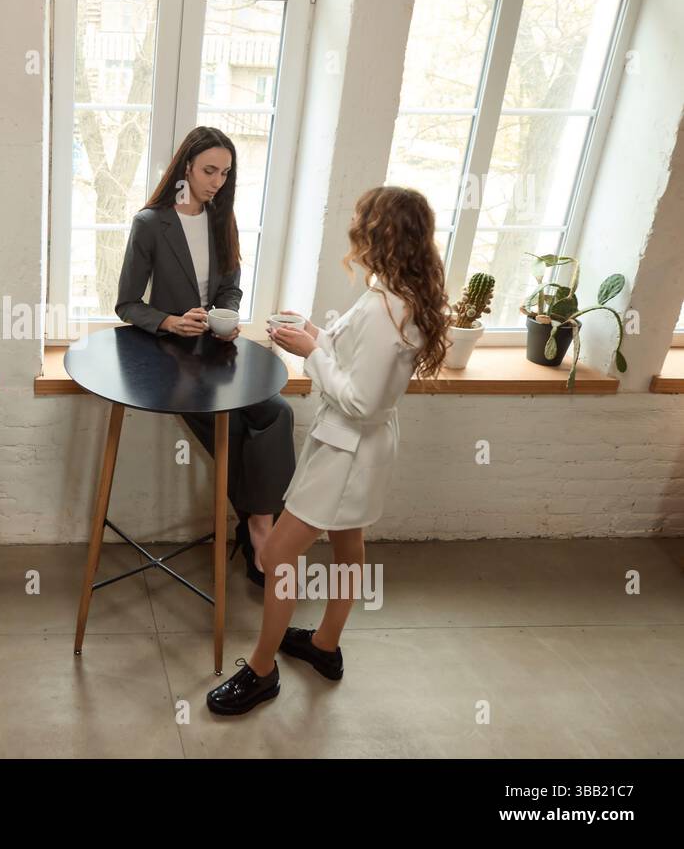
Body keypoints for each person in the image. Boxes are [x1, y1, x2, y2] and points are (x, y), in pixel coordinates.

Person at [206, 185, 450, 716]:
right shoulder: (397, 295)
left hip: (345, 451)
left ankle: (262, 670)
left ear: (379, 234)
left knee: (276, 557)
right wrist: (317, 333)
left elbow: (359, 399)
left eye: (362, 221)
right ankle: (324, 646)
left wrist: (312, 351)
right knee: (348, 547)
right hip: (365, 448)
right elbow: (363, 364)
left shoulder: (388, 308)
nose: (354, 230)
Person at [116, 126, 296, 585]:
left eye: (225, 172)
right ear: (186, 168)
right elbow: (127, 303)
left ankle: (257, 523)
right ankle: (260, 528)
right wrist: (171, 322)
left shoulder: (222, 218)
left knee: (277, 414)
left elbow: (232, 286)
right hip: (172, 356)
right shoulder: (151, 223)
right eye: (208, 170)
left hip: (219, 350)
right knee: (232, 428)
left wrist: (228, 314)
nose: (217, 181)